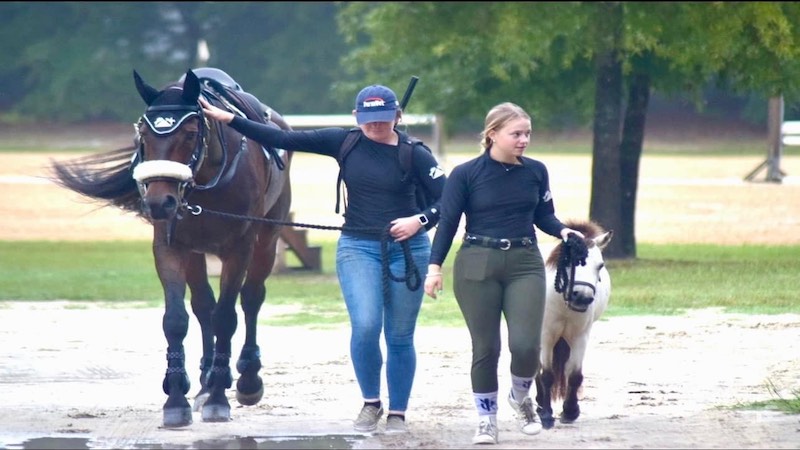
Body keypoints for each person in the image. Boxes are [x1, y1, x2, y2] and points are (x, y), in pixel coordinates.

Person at [199, 84, 446, 434]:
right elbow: (281, 139)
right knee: (365, 326)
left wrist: (418, 220)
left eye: (384, 119)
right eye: (368, 119)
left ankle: (398, 413)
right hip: (358, 247)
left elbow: (448, 200)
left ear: (398, 116)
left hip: (409, 250)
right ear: (355, 116)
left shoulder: (415, 154)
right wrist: (232, 120)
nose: (376, 126)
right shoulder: (342, 141)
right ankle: (371, 403)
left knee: (399, 335)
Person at [423, 102, 583, 445]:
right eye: (516, 134)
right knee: (486, 348)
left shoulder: (536, 171)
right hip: (477, 262)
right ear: (492, 134)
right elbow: (448, 224)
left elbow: (545, 215)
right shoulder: (466, 174)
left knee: (526, 345)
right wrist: (433, 268)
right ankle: (486, 420)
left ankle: (520, 397)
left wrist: (565, 232)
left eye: (527, 133)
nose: (524, 139)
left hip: (525, 261)